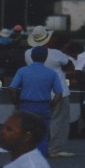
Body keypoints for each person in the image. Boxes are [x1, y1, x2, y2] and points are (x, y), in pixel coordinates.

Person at [25, 27, 75, 158]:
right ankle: (55, 149)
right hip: (59, 93)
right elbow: (70, 66)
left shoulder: (28, 53)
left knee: (39, 121)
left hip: (40, 93)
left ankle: (37, 147)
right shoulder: (56, 54)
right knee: (58, 121)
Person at [10, 45, 63, 158]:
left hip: (26, 105)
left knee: (25, 131)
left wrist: (16, 102)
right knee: (42, 132)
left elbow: (13, 88)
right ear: (46, 57)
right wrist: (52, 104)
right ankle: (42, 155)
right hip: (43, 105)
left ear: (32, 56)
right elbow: (59, 93)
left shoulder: (22, 71)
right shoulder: (51, 73)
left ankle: (25, 154)